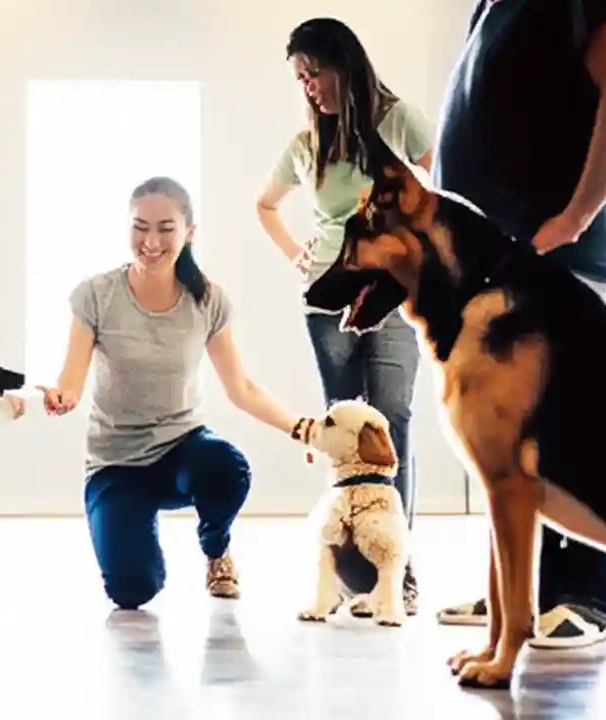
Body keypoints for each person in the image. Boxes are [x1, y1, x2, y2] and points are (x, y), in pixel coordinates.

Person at [431, 0, 606, 648]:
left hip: (550, 257)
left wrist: (575, 219)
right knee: (506, 439)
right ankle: (517, 594)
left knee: (566, 431)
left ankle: (584, 593)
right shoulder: (489, 7)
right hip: (499, 263)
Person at [41, 177, 303, 609]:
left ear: (189, 233)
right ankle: (133, 527)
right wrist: (60, 397)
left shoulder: (208, 300)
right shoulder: (96, 295)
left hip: (181, 449)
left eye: (165, 228)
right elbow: (70, 380)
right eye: (140, 226)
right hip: (116, 463)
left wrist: (303, 429)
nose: (150, 241)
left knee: (227, 469)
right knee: (131, 591)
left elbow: (241, 388)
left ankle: (216, 551)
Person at [254, 17, 435, 615]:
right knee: (344, 443)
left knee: (393, 425)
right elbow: (265, 204)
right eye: (301, 78)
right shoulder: (307, 144)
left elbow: (446, 190)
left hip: (393, 297)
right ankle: (352, 578)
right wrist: (295, 253)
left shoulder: (399, 120)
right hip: (328, 298)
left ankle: (396, 575)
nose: (309, 87)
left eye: (316, 72)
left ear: (346, 64)